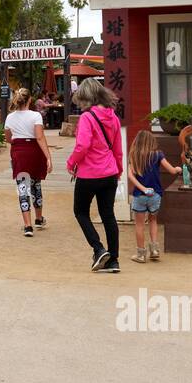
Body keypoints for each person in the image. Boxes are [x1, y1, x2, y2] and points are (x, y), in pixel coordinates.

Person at [66, 79, 123, 273]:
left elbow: (82, 146)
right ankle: (114, 260)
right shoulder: (113, 117)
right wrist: (119, 170)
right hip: (110, 172)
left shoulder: (87, 118)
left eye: (81, 101)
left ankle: (98, 249)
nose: (80, 105)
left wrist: (71, 162)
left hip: (89, 174)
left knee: (80, 212)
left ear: (86, 98)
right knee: (108, 215)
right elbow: (117, 148)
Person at [126, 130, 181, 262]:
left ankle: (140, 254)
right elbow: (172, 170)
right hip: (155, 195)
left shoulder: (134, 155)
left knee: (139, 224)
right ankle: (154, 250)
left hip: (139, 195)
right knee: (153, 221)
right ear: (151, 142)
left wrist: (143, 189)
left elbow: (130, 175)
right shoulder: (158, 154)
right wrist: (178, 169)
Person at [4, 88, 52, 236]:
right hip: (35, 151)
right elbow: (39, 137)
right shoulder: (36, 115)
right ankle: (38, 218)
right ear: (29, 100)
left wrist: (18, 142)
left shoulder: (10, 117)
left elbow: (7, 138)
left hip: (19, 151)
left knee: (23, 188)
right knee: (36, 185)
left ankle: (27, 225)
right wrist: (48, 157)